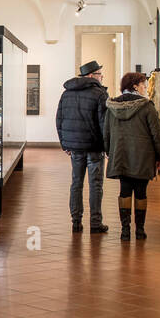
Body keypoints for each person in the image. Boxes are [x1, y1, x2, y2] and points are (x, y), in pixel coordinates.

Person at [104, 71, 160, 241]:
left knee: (124, 191)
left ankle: (125, 230)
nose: (145, 88)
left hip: (120, 155)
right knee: (141, 192)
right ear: (135, 86)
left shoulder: (112, 106)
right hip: (142, 157)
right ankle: (140, 230)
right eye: (143, 85)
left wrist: (109, 151)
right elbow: (156, 134)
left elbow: (106, 132)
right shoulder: (146, 107)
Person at [55, 60, 109, 234]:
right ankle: (95, 222)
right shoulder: (100, 94)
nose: (102, 77)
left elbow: (59, 120)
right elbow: (104, 125)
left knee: (76, 183)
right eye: (100, 74)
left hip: (75, 148)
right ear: (92, 76)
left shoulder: (66, 94)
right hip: (94, 148)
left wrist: (65, 144)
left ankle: (76, 222)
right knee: (96, 185)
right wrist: (107, 147)